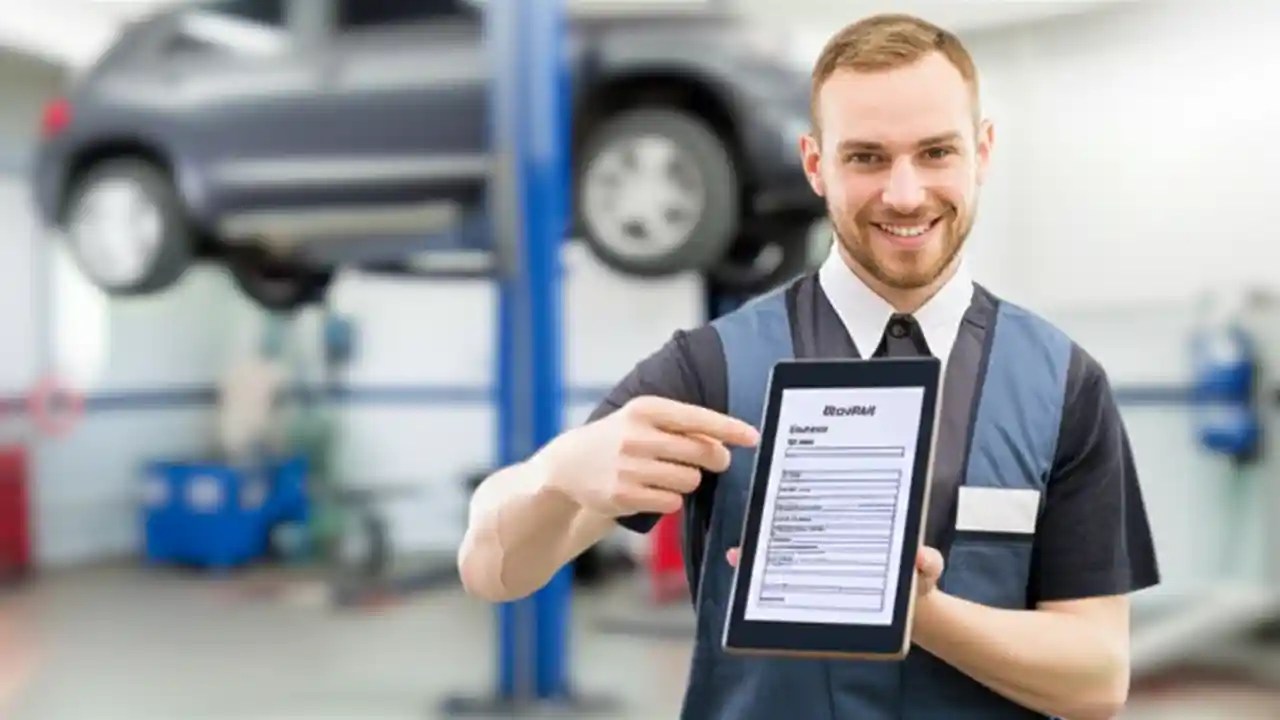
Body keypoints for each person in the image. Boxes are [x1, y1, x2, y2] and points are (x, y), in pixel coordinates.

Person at [457, 12, 1160, 720]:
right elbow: (493, 570)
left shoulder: (1062, 384)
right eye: (867, 158)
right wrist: (556, 475)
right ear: (816, 163)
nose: (906, 193)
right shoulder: (713, 369)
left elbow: (1097, 677)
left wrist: (911, 611)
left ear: (982, 152)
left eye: (936, 152)